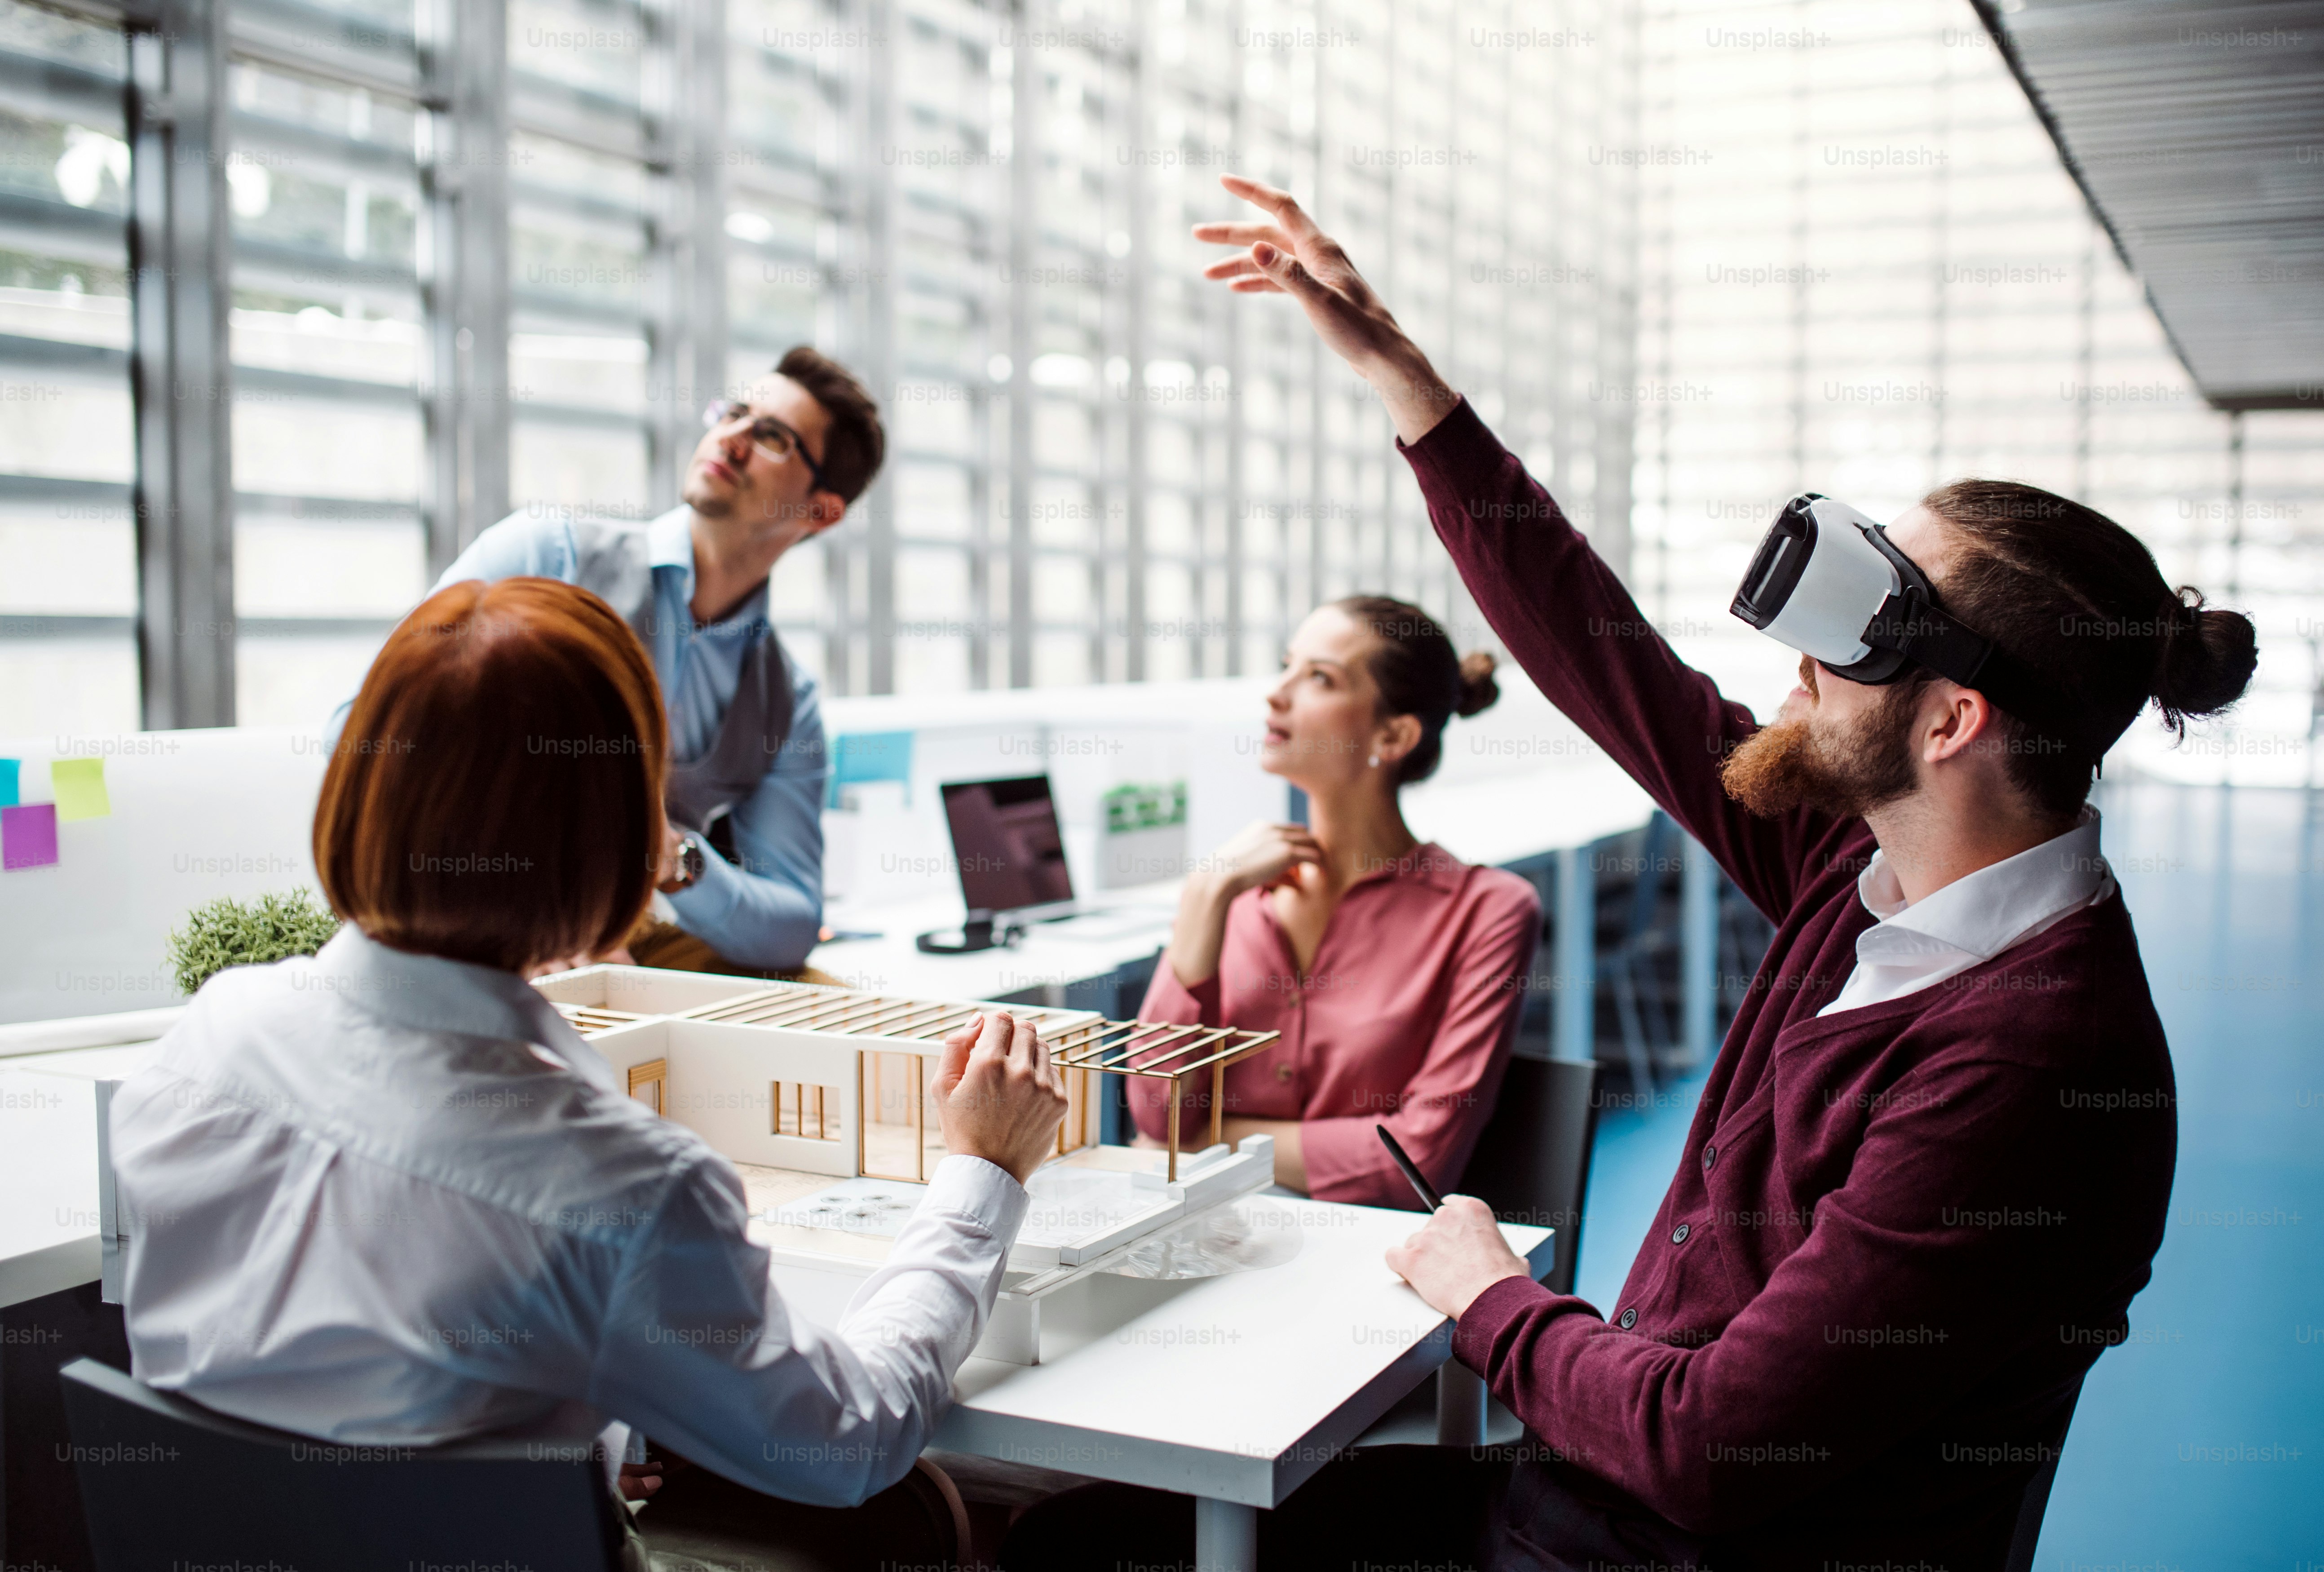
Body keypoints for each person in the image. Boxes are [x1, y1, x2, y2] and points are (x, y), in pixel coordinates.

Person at [1010, 175, 2260, 1571]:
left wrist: (1490, 1298)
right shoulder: (1862, 868)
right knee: (1078, 1532)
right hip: (1569, 1507)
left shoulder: (2025, 1063)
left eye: (1854, 630)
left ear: (1950, 719)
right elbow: (1610, 665)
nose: (1798, 660)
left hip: (1634, 1545)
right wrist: (1405, 383)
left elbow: (1706, 1446)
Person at [115, 576, 1069, 1569]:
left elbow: (323, 1388)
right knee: (913, 1516)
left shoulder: (201, 1043)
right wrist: (982, 1175)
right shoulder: (619, 1188)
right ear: (622, 843)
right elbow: (849, 1440)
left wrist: (576, 1430)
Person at [367, 345, 884, 977]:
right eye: (734, 412)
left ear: (820, 510)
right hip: (464, 907)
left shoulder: (786, 697)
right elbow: (365, 729)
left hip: (616, 939)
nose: (732, 437)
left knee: (826, 996)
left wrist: (674, 858)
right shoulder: (546, 555)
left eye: (772, 435)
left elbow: (791, 924)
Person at [1124, 595, 1540, 1205]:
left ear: (1393, 734)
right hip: (1207, 1250)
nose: (1276, 694)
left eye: (1319, 678)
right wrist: (1205, 893)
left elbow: (1413, 1162)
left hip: (1364, 1269)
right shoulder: (1232, 890)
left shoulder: (1488, 911)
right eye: (1286, 666)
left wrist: (1204, 1142)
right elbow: (1157, 1118)